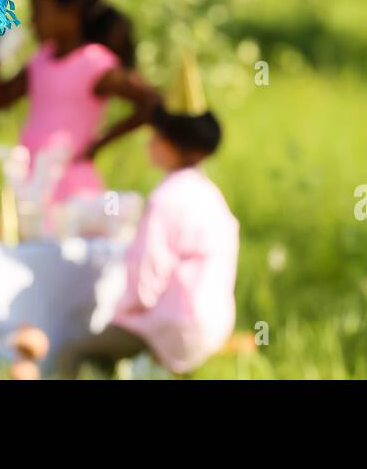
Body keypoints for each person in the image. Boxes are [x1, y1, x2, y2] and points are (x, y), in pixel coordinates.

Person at [57, 54, 239, 378]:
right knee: (110, 353)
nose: (149, 145)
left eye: (155, 138)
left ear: (172, 146)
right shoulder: (209, 193)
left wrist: (121, 315)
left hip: (176, 323)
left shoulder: (165, 199)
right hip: (214, 319)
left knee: (73, 349)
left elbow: (145, 280)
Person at [0, 0, 157, 205]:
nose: (32, 20)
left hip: (72, 190)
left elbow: (152, 101)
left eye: (38, 10)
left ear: (70, 10)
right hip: (33, 185)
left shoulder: (95, 63)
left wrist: (98, 144)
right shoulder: (41, 59)